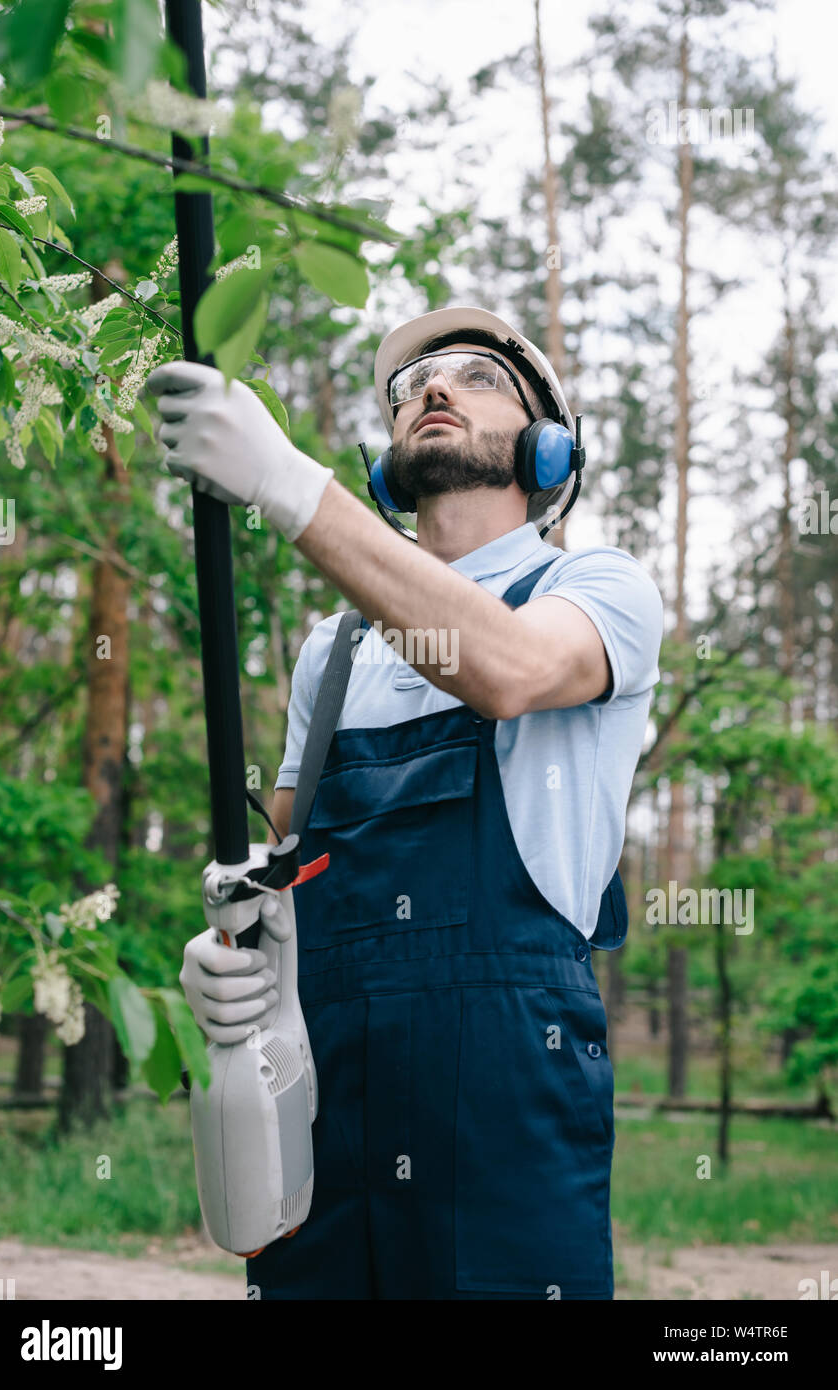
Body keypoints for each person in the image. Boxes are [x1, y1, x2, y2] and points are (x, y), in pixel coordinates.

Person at [148, 305, 663, 1300]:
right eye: (410, 385)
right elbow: (283, 880)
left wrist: (291, 487)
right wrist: (229, 959)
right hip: (328, 1100)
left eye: (476, 375)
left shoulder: (597, 588)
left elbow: (507, 670)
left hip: (506, 1103)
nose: (432, 386)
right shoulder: (329, 653)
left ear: (549, 446)